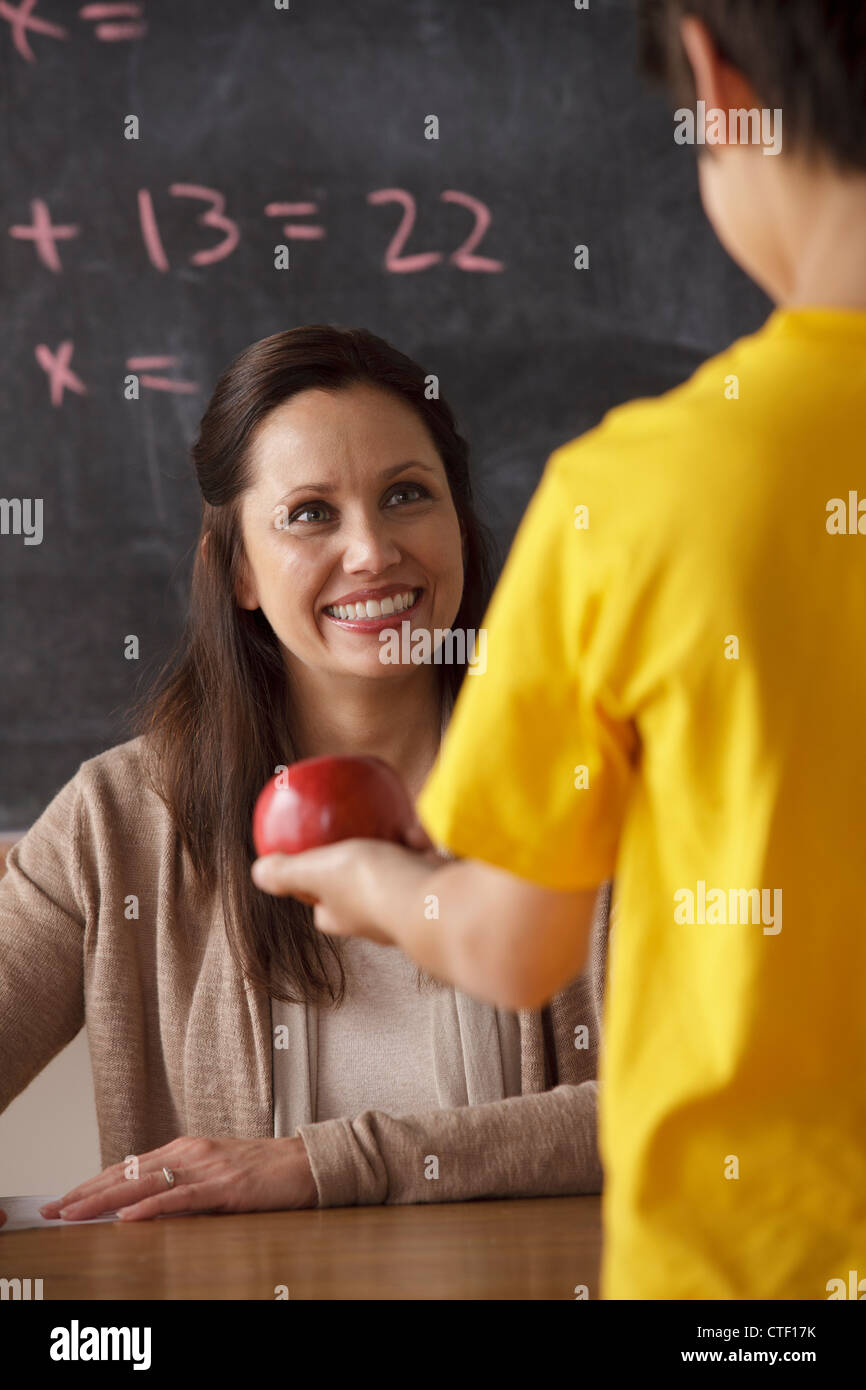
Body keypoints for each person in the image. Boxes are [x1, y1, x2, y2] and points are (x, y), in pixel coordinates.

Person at [251, 3, 866, 1299]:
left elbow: (512, 944)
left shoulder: (643, 496)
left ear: (714, 72)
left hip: (760, 1279)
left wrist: (369, 885)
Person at [0, 325, 609, 1231]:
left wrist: (319, 1166)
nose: (370, 551)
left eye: (407, 495)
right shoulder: (115, 819)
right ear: (238, 570)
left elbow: (682, 1095)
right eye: (310, 513)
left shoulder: (591, 781)